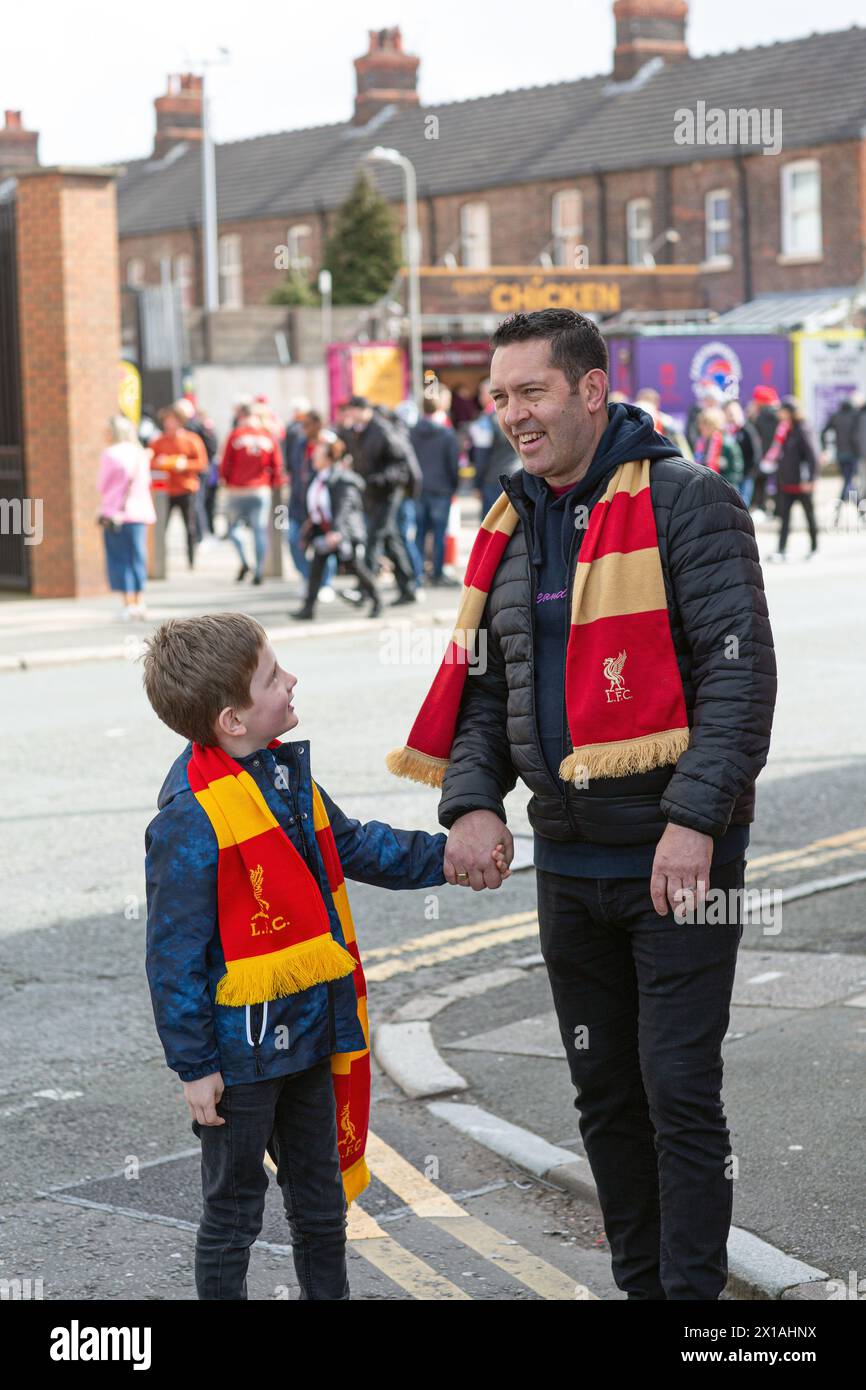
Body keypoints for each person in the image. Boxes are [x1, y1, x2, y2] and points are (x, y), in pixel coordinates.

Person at [386, 307, 777, 1302]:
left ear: (590, 390)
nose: (509, 413)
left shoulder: (688, 500)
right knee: (604, 1097)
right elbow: (485, 683)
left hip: (675, 864)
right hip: (567, 866)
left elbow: (736, 680)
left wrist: (693, 822)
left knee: (677, 1094)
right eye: (499, 395)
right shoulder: (511, 520)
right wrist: (471, 801)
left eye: (530, 391)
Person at [142, 612, 513, 1300]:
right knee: (232, 1213)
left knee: (321, 1207)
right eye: (272, 677)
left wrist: (451, 858)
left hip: (310, 1036)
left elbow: (359, 846)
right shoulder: (189, 816)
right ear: (232, 719)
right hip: (242, 1058)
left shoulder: (284, 777)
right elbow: (172, 956)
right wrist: (195, 1067)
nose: (290, 681)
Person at [291, 432, 381, 620]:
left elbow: (343, 508)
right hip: (324, 531)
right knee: (316, 570)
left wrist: (337, 532)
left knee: (356, 567)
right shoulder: (318, 477)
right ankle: (308, 609)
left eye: (318, 454)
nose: (314, 456)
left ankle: (377, 601)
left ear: (329, 458)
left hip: (341, 534)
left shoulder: (342, 479)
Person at [343, 395, 419, 606]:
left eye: (352, 410)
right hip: (372, 493)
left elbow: (400, 464)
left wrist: (377, 479)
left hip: (387, 492)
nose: (350, 415)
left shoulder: (382, 430)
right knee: (390, 540)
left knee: (373, 538)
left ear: (362, 410)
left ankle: (364, 590)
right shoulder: (360, 431)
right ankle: (408, 587)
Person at [97, 414, 157, 621]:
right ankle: (140, 601)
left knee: (119, 559)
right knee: (137, 557)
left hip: (116, 513)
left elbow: (102, 486)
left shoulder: (110, 454)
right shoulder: (140, 453)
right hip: (140, 512)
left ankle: (127, 604)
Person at [219, 405, 286, 585]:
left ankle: (245, 561)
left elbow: (225, 463)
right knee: (259, 530)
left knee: (234, 530)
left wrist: (225, 481)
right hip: (260, 489)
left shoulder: (236, 435)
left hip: (237, 489)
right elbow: (277, 465)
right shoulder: (268, 437)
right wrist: (274, 484)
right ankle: (259, 569)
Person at [149, 406, 209, 568]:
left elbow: (202, 463)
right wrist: (160, 463)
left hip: (186, 488)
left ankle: (191, 560)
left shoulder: (191, 440)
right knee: (162, 527)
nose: (170, 424)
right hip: (165, 490)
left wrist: (185, 465)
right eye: (167, 421)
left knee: (189, 526)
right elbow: (150, 461)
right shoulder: (158, 441)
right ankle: (160, 561)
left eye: (173, 420)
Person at [410, 395, 461, 586]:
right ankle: (437, 574)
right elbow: (453, 464)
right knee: (439, 534)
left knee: (419, 534)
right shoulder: (446, 433)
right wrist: (453, 486)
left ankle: (417, 574)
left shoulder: (412, 432)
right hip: (441, 489)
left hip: (419, 489)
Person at [767, 396, 820, 562]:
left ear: (790, 412)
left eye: (782, 410)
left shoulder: (802, 429)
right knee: (784, 518)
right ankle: (782, 549)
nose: (779, 414)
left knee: (809, 516)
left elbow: (812, 456)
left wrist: (810, 479)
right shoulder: (784, 429)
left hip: (801, 483)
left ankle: (814, 548)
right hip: (786, 482)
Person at [471, 377, 522, 515]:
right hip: (518, 475)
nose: (480, 397)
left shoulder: (485, 421)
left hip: (492, 481)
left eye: (482, 393)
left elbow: (481, 456)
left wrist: (476, 484)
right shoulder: (516, 414)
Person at [176, 396, 220, 539]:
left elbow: (209, 448)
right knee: (200, 503)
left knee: (197, 503)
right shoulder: (197, 425)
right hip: (199, 469)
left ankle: (201, 535)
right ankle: (202, 534)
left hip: (197, 470)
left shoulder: (192, 428)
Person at [821, 395, 861, 516]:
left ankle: (843, 509)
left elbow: (823, 432)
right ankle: (843, 507)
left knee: (848, 481)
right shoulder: (855, 416)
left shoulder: (836, 416)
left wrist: (825, 448)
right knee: (848, 481)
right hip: (853, 453)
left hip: (841, 454)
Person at [748, 386, 781, 517]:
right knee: (779, 483)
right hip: (778, 454)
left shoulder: (757, 417)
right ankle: (778, 510)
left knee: (760, 482)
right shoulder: (780, 415)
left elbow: (754, 437)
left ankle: (761, 507)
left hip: (761, 455)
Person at [724, 399, 762, 508]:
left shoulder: (747, 429)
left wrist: (750, 472)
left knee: (743, 504)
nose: (731, 416)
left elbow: (756, 452)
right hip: (731, 475)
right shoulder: (726, 431)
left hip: (746, 474)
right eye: (728, 413)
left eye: (733, 413)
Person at [693, 406, 744, 487]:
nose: (700, 427)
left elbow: (737, 472)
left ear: (714, 425)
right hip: (706, 487)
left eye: (705, 424)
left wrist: (724, 467)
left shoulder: (728, 443)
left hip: (724, 489)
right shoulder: (701, 443)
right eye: (701, 423)